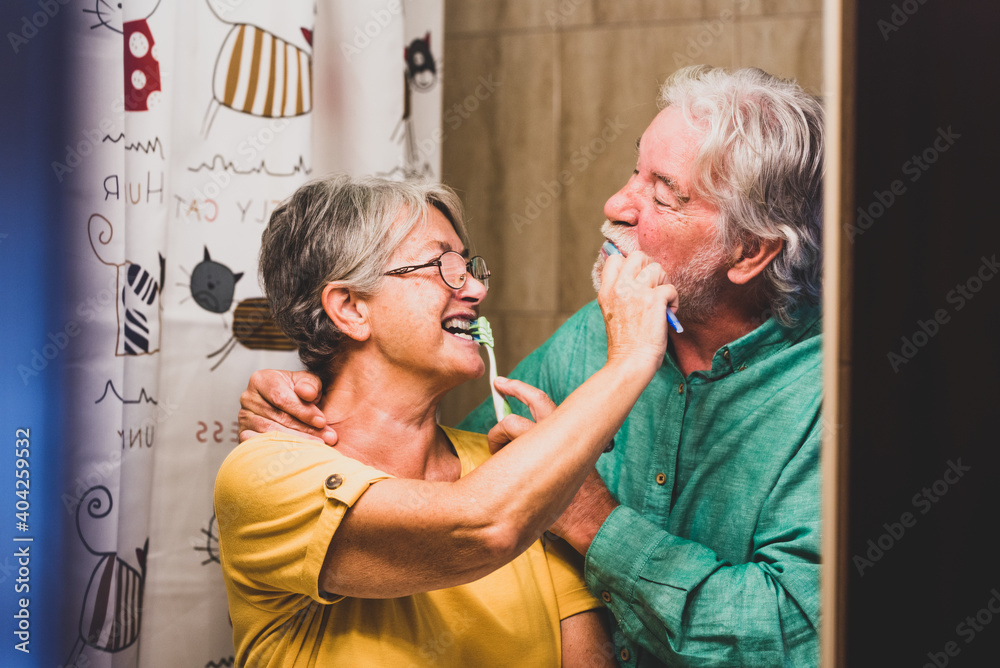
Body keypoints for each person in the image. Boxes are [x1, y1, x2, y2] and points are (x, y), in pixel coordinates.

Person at [238, 65, 824, 666]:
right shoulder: (589, 344)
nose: (617, 205)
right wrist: (294, 411)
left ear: (750, 251)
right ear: (347, 307)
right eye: (634, 171)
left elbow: (804, 639)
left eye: (663, 194)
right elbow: (439, 460)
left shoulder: (834, 400)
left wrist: (591, 517)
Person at [216, 174, 679, 667]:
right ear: (350, 308)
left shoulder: (514, 470)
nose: (476, 288)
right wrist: (631, 357)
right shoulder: (263, 476)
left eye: (469, 267)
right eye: (443, 267)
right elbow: (479, 528)